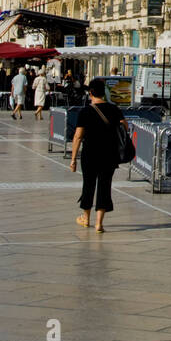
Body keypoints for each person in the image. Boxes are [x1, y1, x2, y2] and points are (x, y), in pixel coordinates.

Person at [70, 77, 125, 233]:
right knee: (104, 186)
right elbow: (124, 126)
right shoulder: (114, 109)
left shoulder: (85, 111)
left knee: (88, 185)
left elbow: (78, 136)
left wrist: (73, 159)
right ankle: (99, 223)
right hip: (109, 154)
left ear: (91, 93)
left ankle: (86, 218)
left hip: (90, 154)